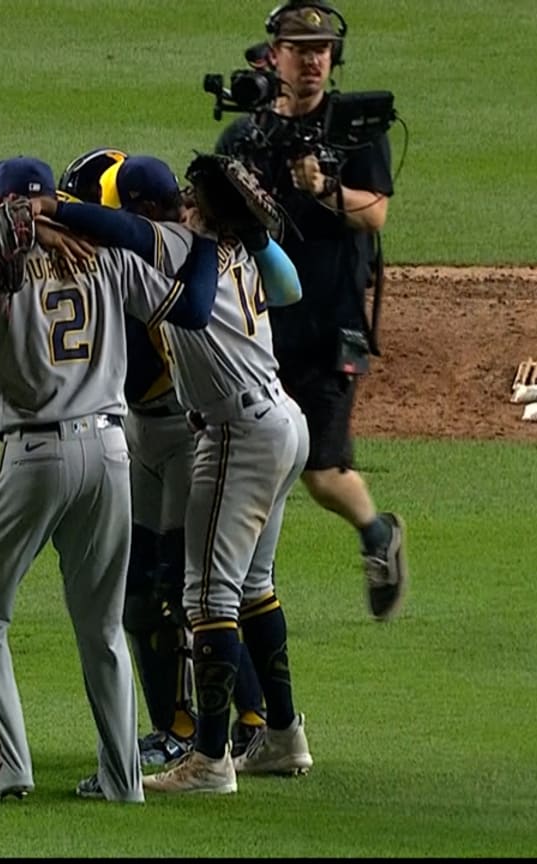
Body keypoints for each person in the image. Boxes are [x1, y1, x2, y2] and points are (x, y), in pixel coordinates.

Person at [0, 157, 225, 803]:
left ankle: (9, 765)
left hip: (34, 456)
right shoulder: (106, 256)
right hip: (113, 452)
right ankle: (122, 781)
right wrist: (205, 242)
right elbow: (190, 310)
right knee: (103, 627)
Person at [42, 154, 281, 766]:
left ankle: (245, 724)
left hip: (191, 433)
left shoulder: (166, 246)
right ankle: (179, 727)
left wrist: (53, 211)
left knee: (194, 590)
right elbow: (288, 286)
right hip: (150, 434)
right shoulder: (185, 244)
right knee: (148, 595)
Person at [216, 1, 407, 621]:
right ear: (276, 55)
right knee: (255, 452)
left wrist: (323, 188)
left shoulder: (356, 129)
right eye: (300, 50)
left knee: (323, 473)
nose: (312, 61)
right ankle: (237, 583)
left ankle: (378, 536)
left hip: (335, 325)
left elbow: (375, 212)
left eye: (321, 51)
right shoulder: (246, 134)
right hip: (260, 327)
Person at [142, 158, 313, 795]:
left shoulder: (179, 252)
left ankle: (209, 760)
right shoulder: (237, 250)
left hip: (239, 433)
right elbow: (290, 290)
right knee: (253, 585)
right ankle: (283, 734)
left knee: (208, 596)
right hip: (283, 420)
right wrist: (257, 236)